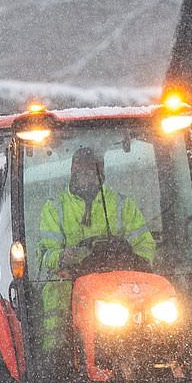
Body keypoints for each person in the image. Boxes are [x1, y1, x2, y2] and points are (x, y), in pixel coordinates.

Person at [35, 146, 157, 359]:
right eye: (82, 171)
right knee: (55, 292)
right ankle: (57, 354)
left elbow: (145, 245)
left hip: (118, 280)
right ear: (73, 172)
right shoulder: (55, 208)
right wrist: (63, 257)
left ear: (102, 173)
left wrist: (135, 261)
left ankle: (157, 351)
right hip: (73, 279)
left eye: (92, 172)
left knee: (161, 302)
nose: (87, 177)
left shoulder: (121, 205)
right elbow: (46, 253)